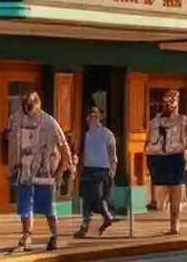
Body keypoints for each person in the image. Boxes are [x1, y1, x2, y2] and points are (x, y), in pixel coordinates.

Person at [6, 90, 72, 253]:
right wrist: (12, 165)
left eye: (30, 106)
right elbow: (11, 143)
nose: (28, 110)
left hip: (45, 171)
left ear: (37, 104)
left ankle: (54, 235)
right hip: (24, 170)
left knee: (48, 207)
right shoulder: (15, 119)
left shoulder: (49, 122)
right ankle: (27, 235)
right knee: (25, 206)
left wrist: (66, 164)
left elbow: (63, 143)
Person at [145, 89, 187, 235]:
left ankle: (174, 225)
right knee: (161, 196)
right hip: (159, 157)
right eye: (167, 102)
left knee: (176, 191)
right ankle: (156, 204)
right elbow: (149, 140)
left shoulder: (182, 120)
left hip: (176, 157)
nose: (169, 105)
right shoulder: (155, 122)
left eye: (173, 101)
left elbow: (185, 140)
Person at [74, 105, 116, 239]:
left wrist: (112, 170)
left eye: (95, 115)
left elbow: (112, 154)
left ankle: (106, 216)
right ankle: (85, 226)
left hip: (102, 170)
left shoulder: (107, 134)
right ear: (87, 118)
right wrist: (78, 172)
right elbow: (82, 155)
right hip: (88, 169)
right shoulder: (85, 135)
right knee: (87, 199)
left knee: (98, 198)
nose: (92, 118)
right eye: (90, 116)